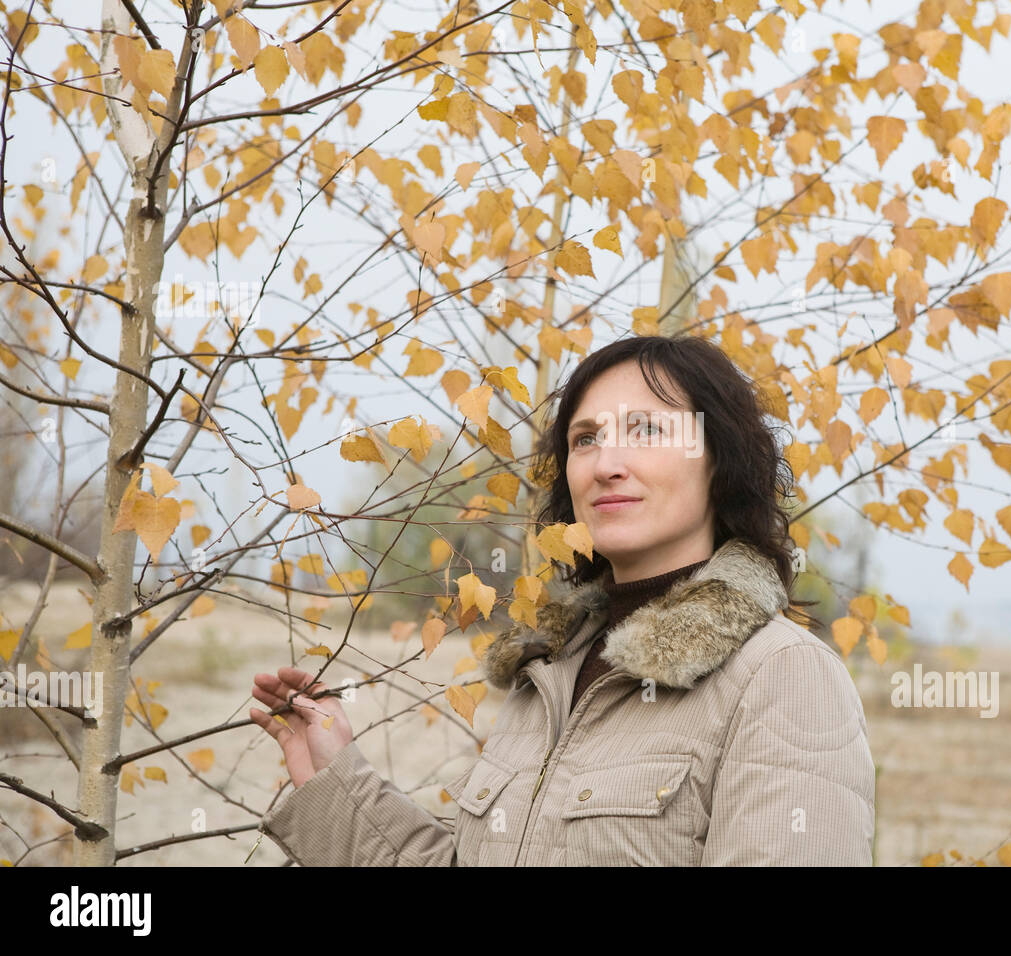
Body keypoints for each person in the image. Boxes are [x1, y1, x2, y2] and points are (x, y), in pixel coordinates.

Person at [249, 334, 876, 865]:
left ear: (719, 461)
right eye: (585, 439)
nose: (606, 464)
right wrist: (336, 781)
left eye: (646, 430)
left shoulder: (783, 677)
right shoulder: (548, 674)